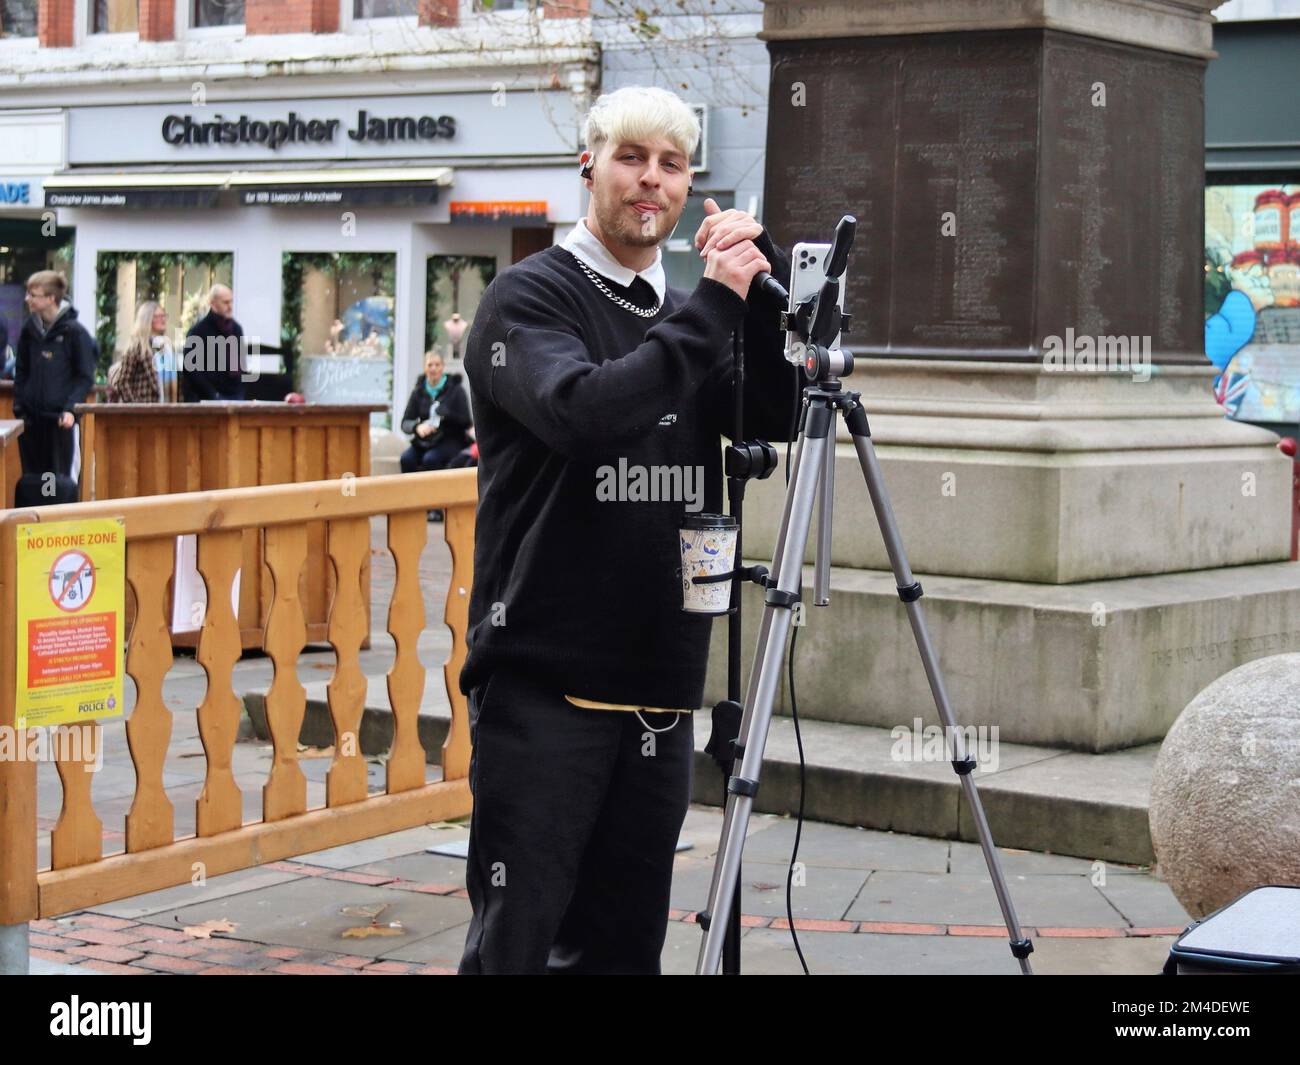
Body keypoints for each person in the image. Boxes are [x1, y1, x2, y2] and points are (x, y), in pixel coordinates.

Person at [456, 86, 799, 975]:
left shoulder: (690, 310)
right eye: (631, 158)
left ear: (689, 186)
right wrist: (713, 310)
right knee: (516, 947)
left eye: (672, 165)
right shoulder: (527, 300)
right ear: (589, 165)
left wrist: (759, 298)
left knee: (623, 951)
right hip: (545, 682)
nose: (651, 181)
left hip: (657, 684)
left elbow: (776, 411)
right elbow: (586, 412)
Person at [13, 269, 97, 486]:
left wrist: (70, 409)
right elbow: (21, 371)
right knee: (33, 485)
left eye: (33, 294)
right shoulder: (28, 331)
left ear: (50, 298)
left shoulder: (75, 333)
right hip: (31, 422)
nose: (27, 299)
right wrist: (20, 408)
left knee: (60, 485)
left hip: (62, 424)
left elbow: (85, 377)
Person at [181, 284, 245, 401]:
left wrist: (240, 393)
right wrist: (213, 395)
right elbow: (191, 370)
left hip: (233, 395)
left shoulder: (236, 329)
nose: (230, 306)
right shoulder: (198, 331)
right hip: (206, 399)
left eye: (231, 302)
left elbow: (239, 365)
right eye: (225, 302)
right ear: (213, 304)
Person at [106, 301, 167, 404]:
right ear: (147, 319)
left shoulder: (163, 347)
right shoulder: (137, 346)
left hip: (162, 409)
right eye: (158, 316)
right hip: (143, 411)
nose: (163, 319)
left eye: (164, 315)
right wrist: (135, 407)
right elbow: (123, 382)